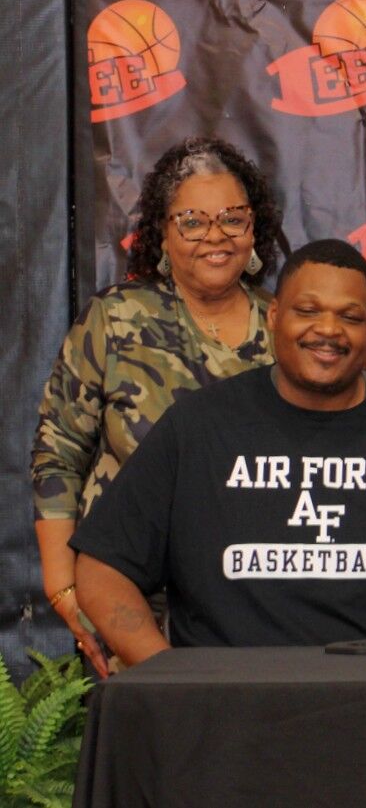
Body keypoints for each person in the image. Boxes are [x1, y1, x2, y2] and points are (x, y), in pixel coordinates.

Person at [70, 241, 366, 665]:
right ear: (275, 316)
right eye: (308, 311)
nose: (328, 330)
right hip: (228, 716)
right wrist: (165, 674)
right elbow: (101, 566)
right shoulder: (200, 425)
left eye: (350, 316)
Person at [32, 137, 286, 674]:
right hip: (124, 597)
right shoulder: (116, 317)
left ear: (254, 230)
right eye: (192, 220)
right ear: (164, 235)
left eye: (233, 219)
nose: (215, 236)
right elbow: (58, 452)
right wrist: (64, 587)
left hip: (246, 605)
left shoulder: (285, 327)